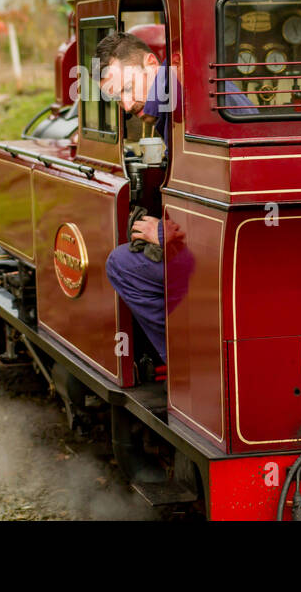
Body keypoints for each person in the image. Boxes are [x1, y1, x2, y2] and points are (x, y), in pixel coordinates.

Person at [95, 32, 255, 369]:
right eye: (117, 98)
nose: (126, 106)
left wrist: (167, 235)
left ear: (151, 63)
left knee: (122, 265)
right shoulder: (186, 90)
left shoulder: (188, 100)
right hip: (241, 240)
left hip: (236, 252)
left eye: (127, 89)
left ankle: (191, 362)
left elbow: (222, 199)